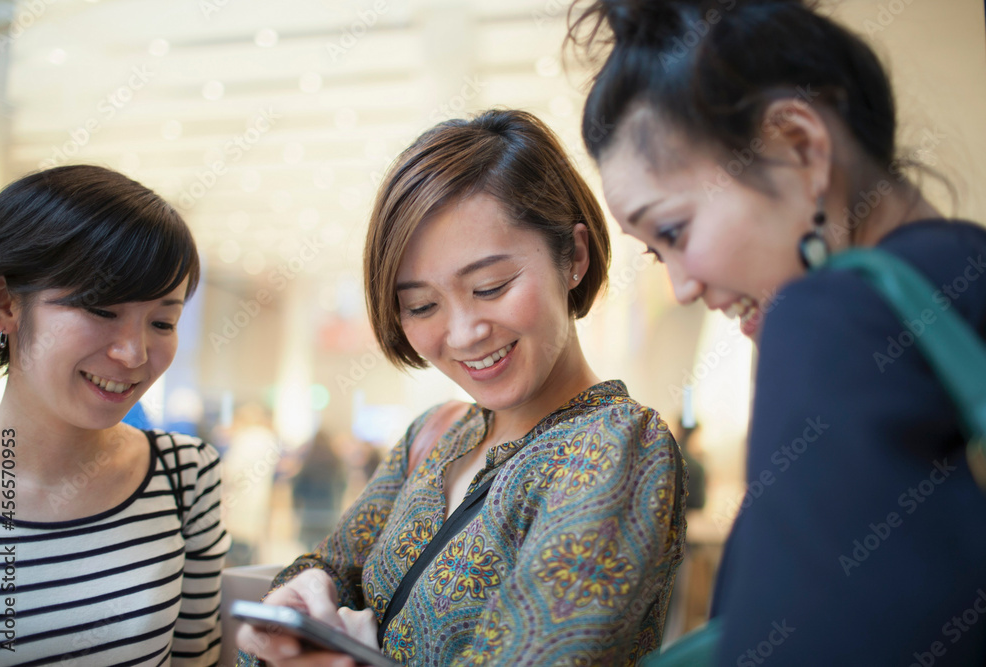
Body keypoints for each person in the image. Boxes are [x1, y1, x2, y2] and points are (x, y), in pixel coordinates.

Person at [568, 0, 986, 664]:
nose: (682, 286)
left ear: (800, 145)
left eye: (673, 231)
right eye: (655, 252)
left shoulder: (835, 316)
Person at [236, 109, 686, 666]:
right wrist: (300, 592)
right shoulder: (438, 432)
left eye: (490, 287)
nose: (465, 333)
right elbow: (335, 565)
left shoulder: (616, 447)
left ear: (574, 257)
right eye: (422, 305)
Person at [0, 165, 230, 665]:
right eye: (102, 309)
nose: (134, 353)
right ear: (5, 302)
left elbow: (194, 659)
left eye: (162, 321)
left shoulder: (186, 476)